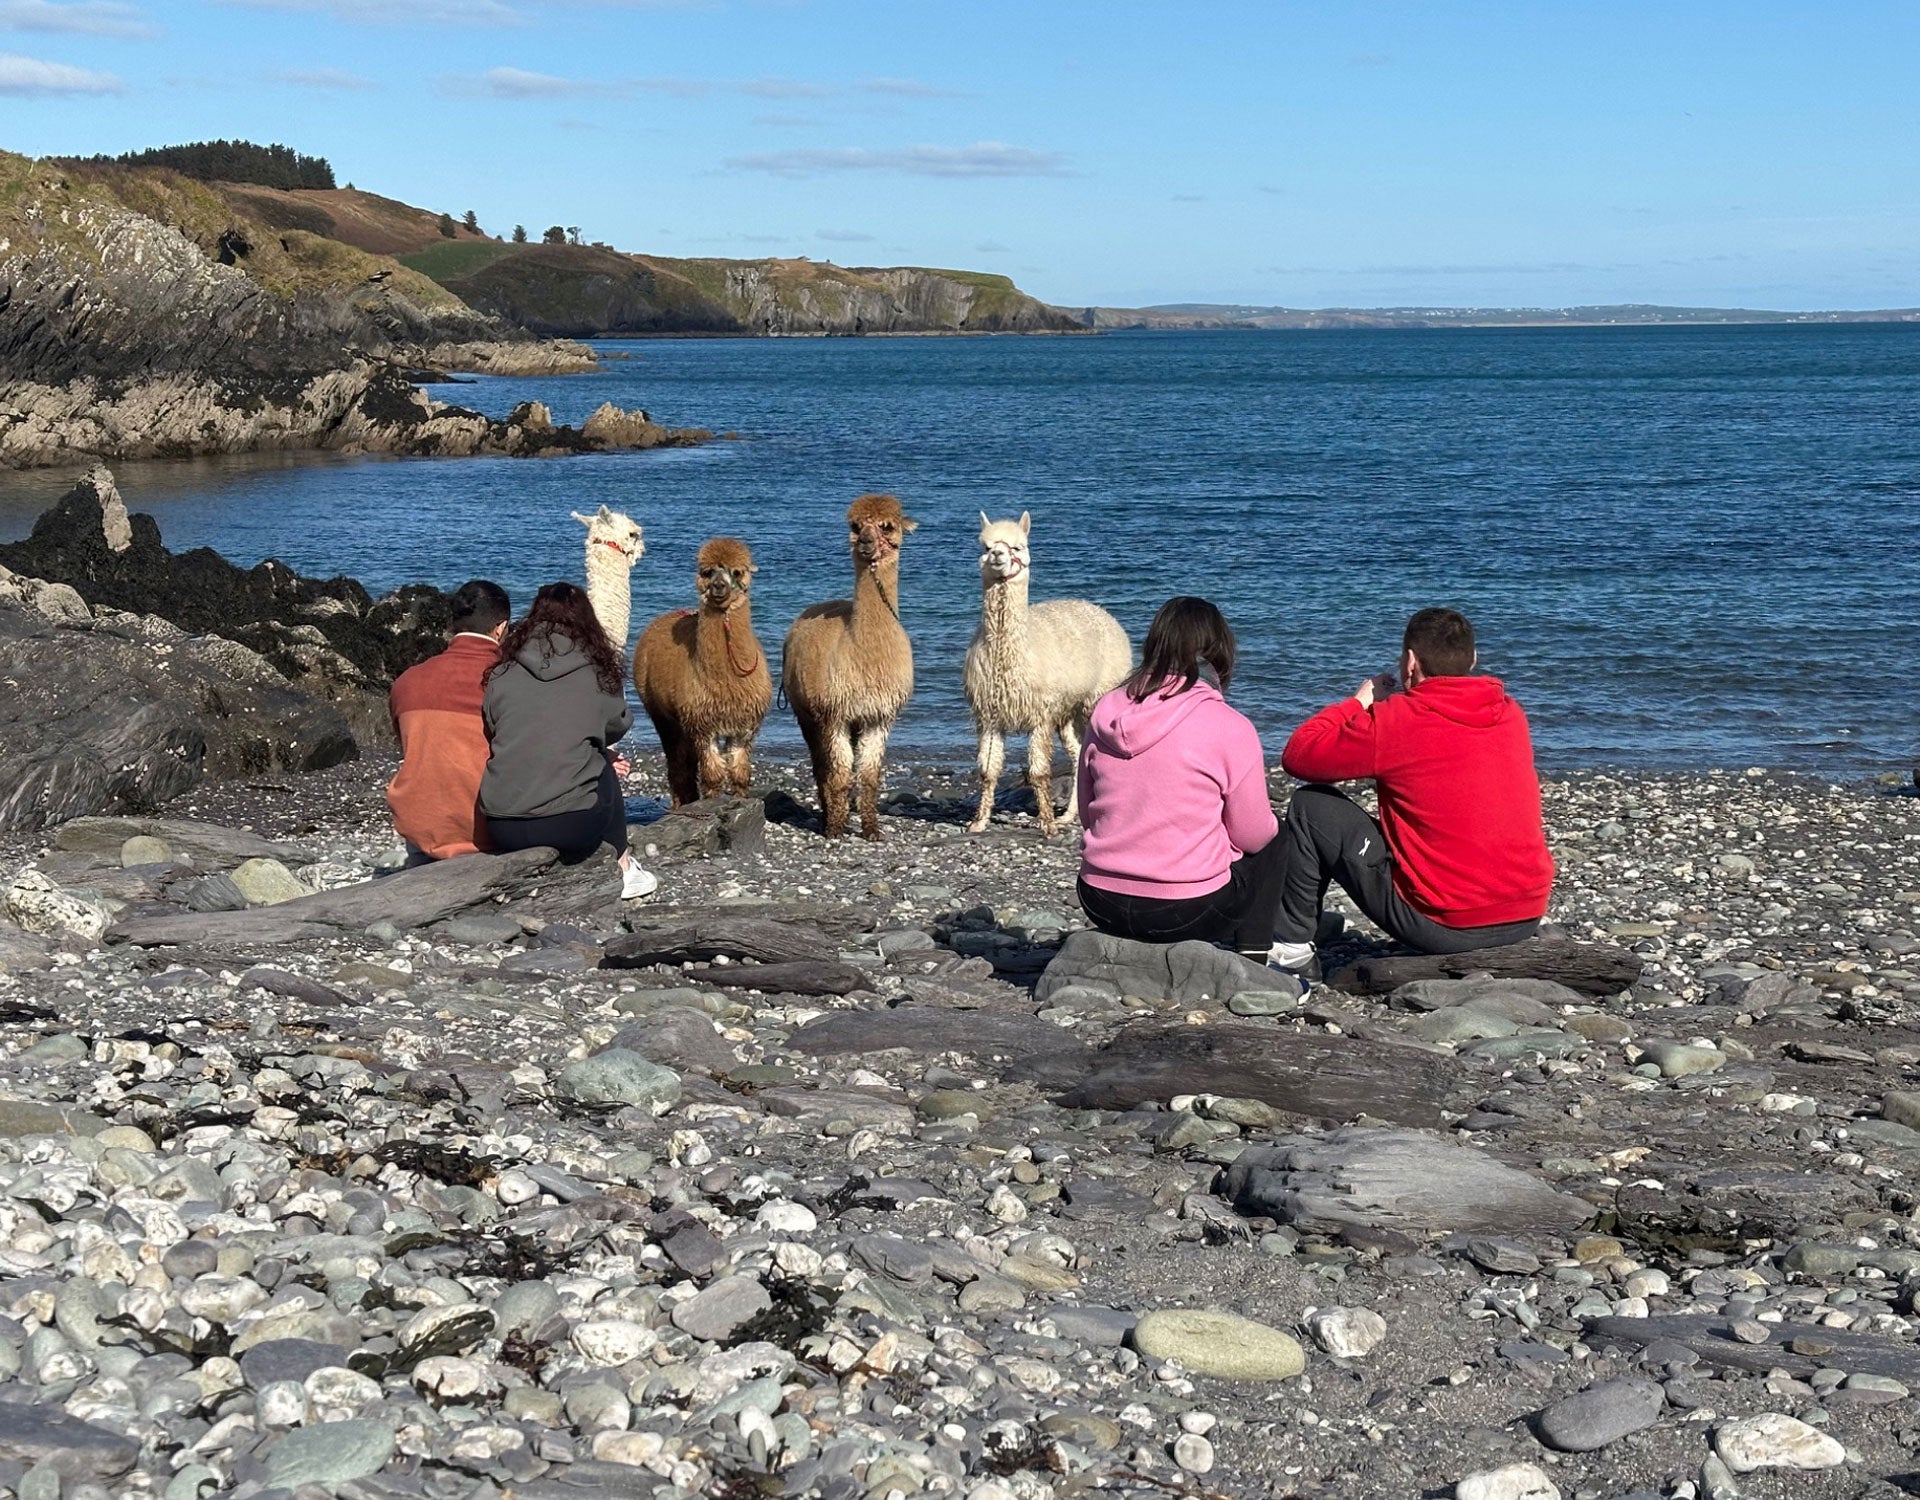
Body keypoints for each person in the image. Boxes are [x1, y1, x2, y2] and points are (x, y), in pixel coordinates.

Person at [1272, 606, 1554, 969]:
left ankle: (1291, 950)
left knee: (1311, 805)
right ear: (1472, 659)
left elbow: (1300, 755)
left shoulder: (1396, 721)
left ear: (1410, 662)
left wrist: (1359, 704)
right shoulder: (1509, 712)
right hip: (1524, 913)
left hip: (1445, 925)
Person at [1075, 597, 1288, 962]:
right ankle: (1253, 958)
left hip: (1099, 899)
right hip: (1186, 911)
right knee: (1276, 835)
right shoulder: (1229, 726)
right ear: (1219, 654)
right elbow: (1252, 835)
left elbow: (1087, 811)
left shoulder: (1105, 713)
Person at [480, 581, 657, 900]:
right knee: (602, 760)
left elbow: (495, 724)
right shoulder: (597, 670)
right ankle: (623, 866)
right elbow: (618, 725)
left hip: (501, 826)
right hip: (569, 827)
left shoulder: (503, 670)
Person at [386, 579, 511, 865]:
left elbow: (407, 747)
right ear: (501, 628)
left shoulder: (407, 682)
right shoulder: (508, 681)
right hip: (488, 835)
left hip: (421, 831)